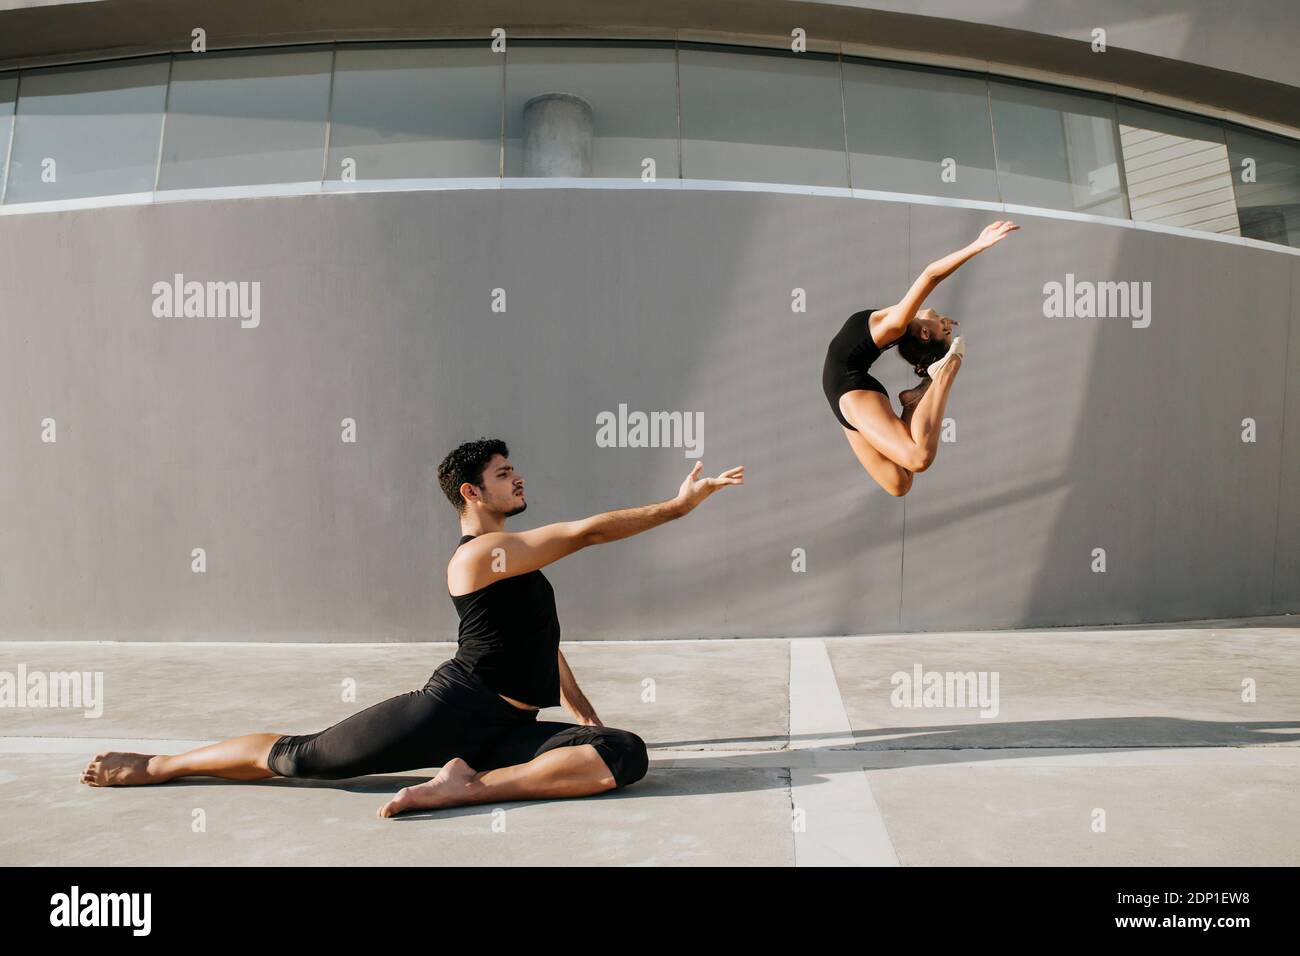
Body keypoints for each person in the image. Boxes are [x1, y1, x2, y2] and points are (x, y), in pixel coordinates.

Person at [79, 438, 743, 818]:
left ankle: (467, 786)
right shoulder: (481, 556)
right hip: (451, 712)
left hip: (507, 729)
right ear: (471, 493)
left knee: (622, 754)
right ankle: (160, 765)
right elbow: (589, 532)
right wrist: (676, 508)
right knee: (303, 758)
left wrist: (584, 713)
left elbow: (538, 638)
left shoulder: (515, 559)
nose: (518, 479)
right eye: (503, 474)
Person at [822, 221, 1019, 496]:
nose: (946, 322)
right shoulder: (898, 323)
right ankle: (914, 401)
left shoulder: (896, 325)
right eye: (947, 327)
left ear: (925, 333)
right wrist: (938, 328)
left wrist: (977, 245)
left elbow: (930, 276)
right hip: (841, 390)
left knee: (919, 460)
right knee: (900, 483)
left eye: (944, 330)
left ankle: (945, 372)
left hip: (851, 389)